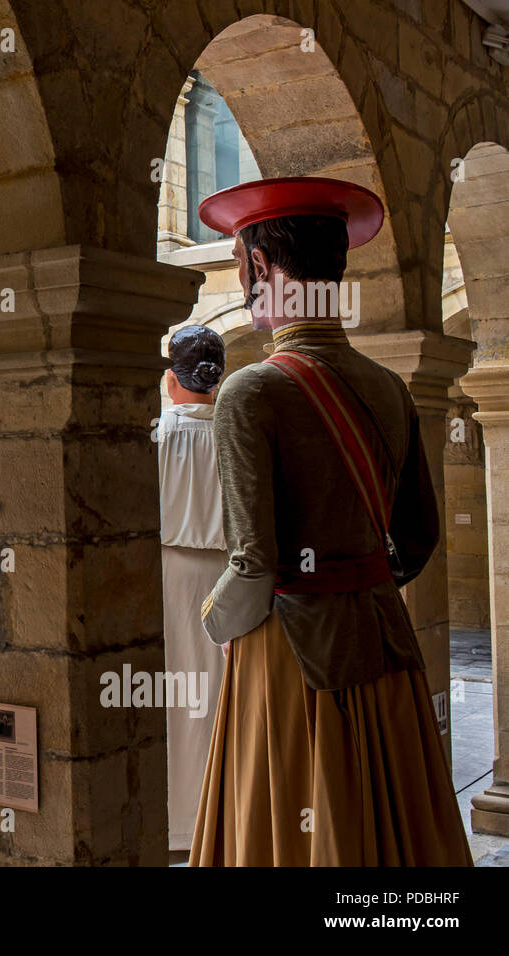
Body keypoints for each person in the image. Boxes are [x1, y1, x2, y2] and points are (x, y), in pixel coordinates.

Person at [189, 176, 471, 865]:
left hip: (290, 663)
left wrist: (211, 621)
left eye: (240, 265)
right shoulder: (389, 386)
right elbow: (419, 537)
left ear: (260, 266)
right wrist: (357, 582)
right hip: (383, 644)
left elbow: (254, 566)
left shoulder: (250, 390)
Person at [157, 324, 227, 857]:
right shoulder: (237, 431)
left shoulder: (158, 434)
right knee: (221, 697)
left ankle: (176, 821)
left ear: (168, 379)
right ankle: (219, 812)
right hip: (229, 582)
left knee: (175, 699)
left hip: (168, 580)